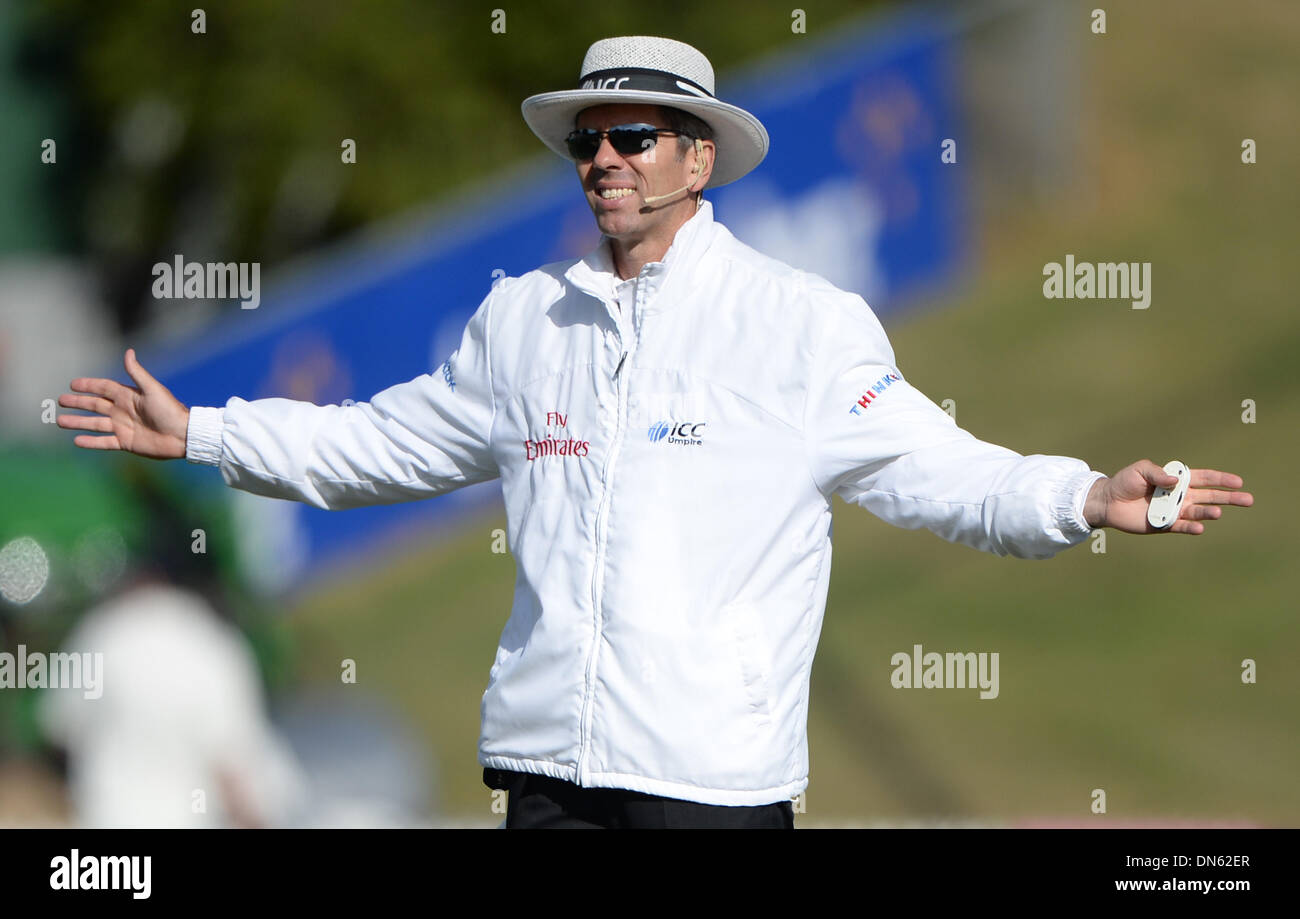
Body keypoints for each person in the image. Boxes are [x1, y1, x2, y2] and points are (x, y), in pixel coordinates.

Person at [57, 36, 1253, 829]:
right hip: (543, 778)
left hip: (711, 786)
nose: (604, 161)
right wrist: (203, 430)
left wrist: (1084, 495)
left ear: (698, 155)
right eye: (588, 140)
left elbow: (936, 470)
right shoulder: (524, 319)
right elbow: (379, 446)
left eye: (632, 137)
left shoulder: (796, 324)